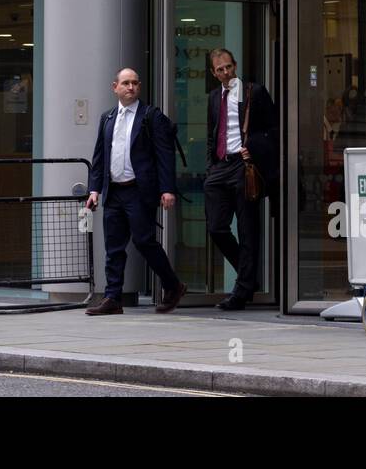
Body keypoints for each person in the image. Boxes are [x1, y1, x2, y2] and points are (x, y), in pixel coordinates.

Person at [85, 68, 186, 315]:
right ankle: (112, 298)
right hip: (114, 192)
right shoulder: (107, 118)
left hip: (139, 191)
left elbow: (164, 155)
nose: (131, 87)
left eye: (135, 83)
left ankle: (173, 285)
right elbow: (99, 157)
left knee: (144, 241)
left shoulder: (150, 116)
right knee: (114, 246)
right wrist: (94, 189)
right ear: (115, 87)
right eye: (126, 83)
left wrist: (167, 189)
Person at [204, 48, 278, 311]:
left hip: (244, 166)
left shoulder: (253, 92)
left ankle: (242, 289)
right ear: (214, 73)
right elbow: (213, 133)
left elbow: (273, 129)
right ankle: (248, 275)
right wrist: (210, 167)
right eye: (220, 69)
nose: (226, 72)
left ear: (235, 65)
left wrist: (253, 149)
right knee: (216, 227)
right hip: (220, 168)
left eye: (229, 67)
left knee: (247, 230)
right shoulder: (214, 97)